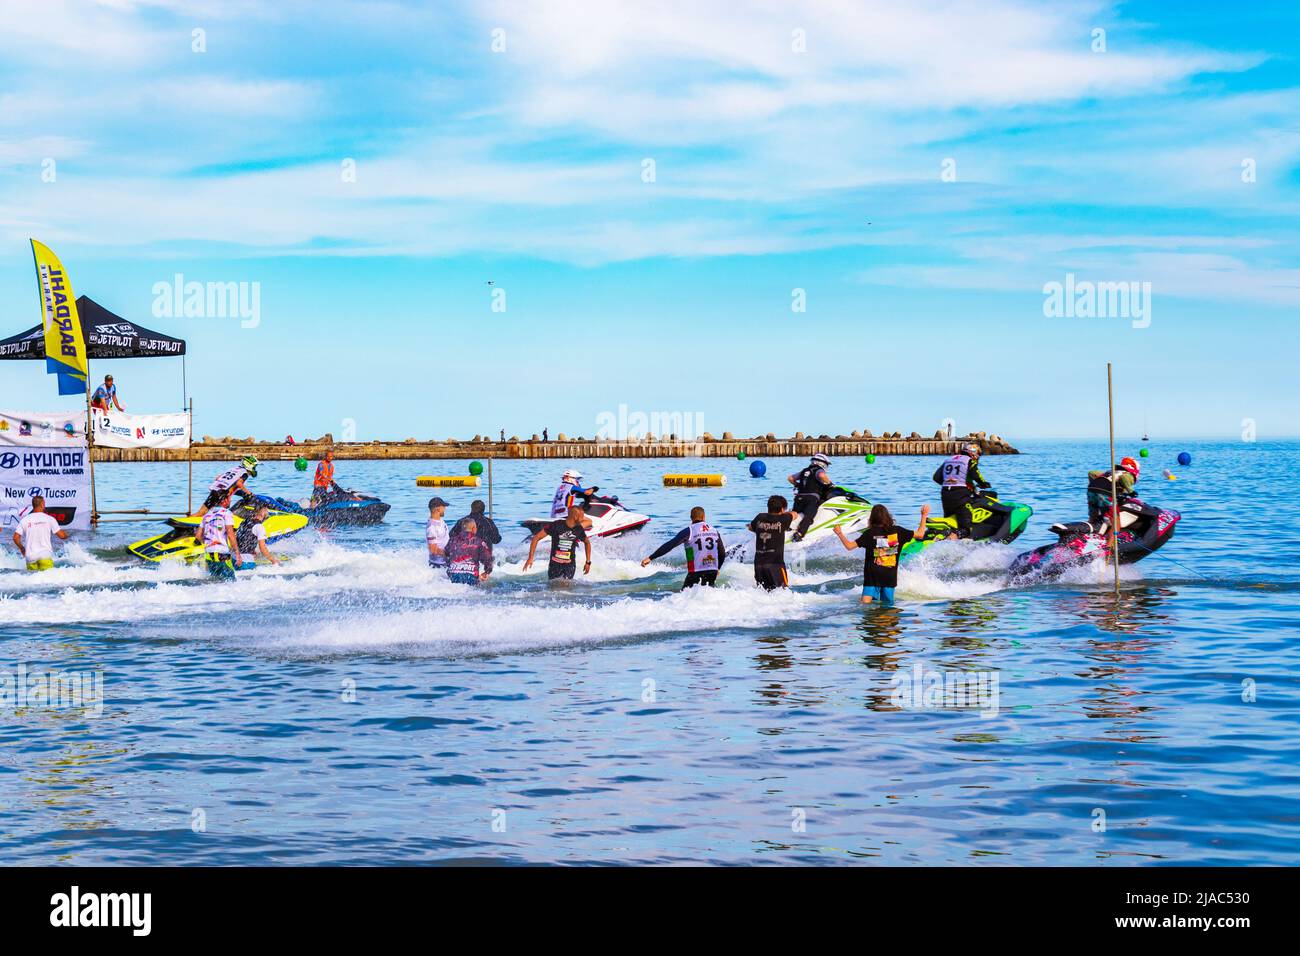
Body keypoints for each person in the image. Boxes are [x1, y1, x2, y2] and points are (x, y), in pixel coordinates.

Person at [834, 503, 930, 606]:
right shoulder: (899, 531)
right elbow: (920, 534)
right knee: (888, 608)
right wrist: (924, 515)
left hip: (872, 577)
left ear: (872, 519)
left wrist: (839, 533)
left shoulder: (869, 533)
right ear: (888, 517)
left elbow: (849, 546)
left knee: (865, 605)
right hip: (889, 577)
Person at [641, 506, 726, 588]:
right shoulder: (715, 531)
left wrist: (651, 557)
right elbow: (722, 553)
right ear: (704, 517)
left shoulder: (689, 531)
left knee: (684, 597)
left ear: (691, 518)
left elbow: (670, 545)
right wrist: (718, 568)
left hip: (696, 571)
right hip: (712, 570)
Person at [932, 442, 991, 539]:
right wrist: (984, 484)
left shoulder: (949, 459)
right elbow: (976, 475)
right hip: (961, 495)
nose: (978, 457)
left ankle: (943, 537)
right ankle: (953, 540)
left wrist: (950, 483)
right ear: (973, 453)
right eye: (978, 454)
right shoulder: (969, 461)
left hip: (945, 494)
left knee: (951, 522)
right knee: (966, 528)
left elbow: (936, 477)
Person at [523, 506, 591, 584]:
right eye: (582, 516)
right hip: (554, 565)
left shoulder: (579, 529)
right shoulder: (556, 525)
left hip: (570, 566)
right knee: (553, 587)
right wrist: (530, 558)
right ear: (575, 517)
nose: (583, 519)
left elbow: (587, 543)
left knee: (567, 589)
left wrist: (588, 562)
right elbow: (536, 538)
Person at [748, 494, 796, 590]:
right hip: (775, 565)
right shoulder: (783, 519)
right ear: (782, 509)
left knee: (763, 594)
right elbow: (795, 514)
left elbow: (750, 527)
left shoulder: (759, 517)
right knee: (783, 594)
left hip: (758, 565)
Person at [12, 496, 68, 571]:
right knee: (47, 580)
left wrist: (22, 548)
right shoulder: (49, 519)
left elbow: (15, 538)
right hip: (45, 555)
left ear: (33, 505)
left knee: (33, 580)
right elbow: (62, 536)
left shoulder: (25, 520)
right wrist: (66, 535)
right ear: (42, 505)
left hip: (30, 556)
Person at [787, 453, 834, 541]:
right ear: (822, 463)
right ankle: (800, 533)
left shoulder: (804, 471)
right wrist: (830, 484)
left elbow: (790, 478)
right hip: (811, 499)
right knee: (808, 517)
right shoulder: (819, 470)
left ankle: (786, 525)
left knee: (794, 513)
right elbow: (821, 476)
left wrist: (798, 485)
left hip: (799, 498)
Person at [195, 489, 240, 580]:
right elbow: (231, 534)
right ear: (224, 500)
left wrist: (208, 543)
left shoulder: (207, 514)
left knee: (216, 581)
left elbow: (198, 536)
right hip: (222, 554)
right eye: (229, 498)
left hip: (209, 553)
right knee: (231, 582)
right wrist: (237, 553)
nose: (230, 500)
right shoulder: (226, 513)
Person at [1087, 457, 1140, 532]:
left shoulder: (1111, 472)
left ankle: (1088, 532)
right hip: (1104, 493)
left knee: (1094, 517)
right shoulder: (1129, 474)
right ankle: (1110, 543)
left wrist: (1096, 486)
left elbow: (1091, 473)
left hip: (1091, 490)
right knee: (1116, 521)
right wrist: (1131, 491)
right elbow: (1124, 478)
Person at [445, 519, 494, 585]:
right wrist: (487, 572)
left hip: (452, 577)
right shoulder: (479, 542)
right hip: (470, 578)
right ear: (474, 528)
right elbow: (488, 559)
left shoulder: (451, 541)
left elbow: (446, 555)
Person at [235, 503, 282, 570]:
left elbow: (240, 539)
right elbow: (262, 548)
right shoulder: (259, 526)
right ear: (262, 513)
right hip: (246, 562)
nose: (268, 513)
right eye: (266, 510)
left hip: (235, 559)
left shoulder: (244, 521)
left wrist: (251, 549)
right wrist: (273, 560)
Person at [426, 496, 450, 570]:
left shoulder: (440, 521)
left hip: (445, 562)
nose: (445, 509)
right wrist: (450, 554)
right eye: (443, 507)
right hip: (438, 565)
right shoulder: (432, 527)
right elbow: (433, 550)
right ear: (438, 509)